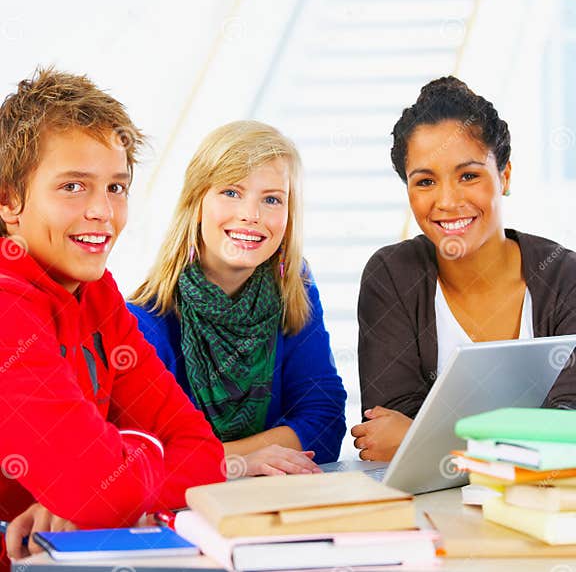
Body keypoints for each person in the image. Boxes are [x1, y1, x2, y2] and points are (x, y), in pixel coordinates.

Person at [0, 68, 224, 565]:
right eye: (74, 187)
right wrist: (102, 483)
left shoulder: (97, 294)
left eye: (116, 187)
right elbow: (99, 493)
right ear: (9, 202)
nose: (102, 211)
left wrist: (100, 480)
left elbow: (203, 454)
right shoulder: (6, 309)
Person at [353, 76, 576, 462]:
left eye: (468, 175)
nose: (448, 200)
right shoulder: (391, 275)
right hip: (434, 510)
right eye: (425, 181)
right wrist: (524, 435)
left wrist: (425, 439)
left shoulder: (564, 276)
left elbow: (567, 431)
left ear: (504, 176)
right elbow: (384, 431)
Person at [128, 120, 347, 476]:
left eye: (272, 199)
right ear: (196, 203)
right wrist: (239, 463)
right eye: (231, 192)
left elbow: (324, 423)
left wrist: (217, 460)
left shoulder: (295, 289)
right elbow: (147, 460)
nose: (251, 215)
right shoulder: (144, 321)